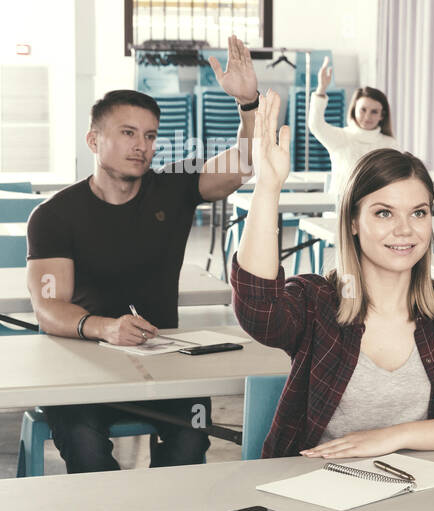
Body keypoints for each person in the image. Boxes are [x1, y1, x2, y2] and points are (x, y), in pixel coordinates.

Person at [231, 90, 434, 458]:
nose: (405, 230)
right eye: (384, 213)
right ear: (353, 221)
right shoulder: (316, 301)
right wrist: (268, 187)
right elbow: (258, 311)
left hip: (418, 490)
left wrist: (396, 436)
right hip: (312, 490)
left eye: (418, 213)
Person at [25, 35, 262, 474]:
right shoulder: (54, 215)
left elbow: (242, 167)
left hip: (165, 363)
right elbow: (48, 307)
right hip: (84, 366)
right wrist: (106, 328)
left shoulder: (172, 187)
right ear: (94, 140)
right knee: (86, 448)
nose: (142, 145)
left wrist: (248, 104)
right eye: (128, 133)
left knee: (192, 437)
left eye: (150, 136)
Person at [309, 57, 401, 196]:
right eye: (363, 110)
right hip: (338, 211)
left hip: (375, 211)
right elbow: (316, 125)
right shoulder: (340, 137)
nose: (367, 117)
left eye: (374, 112)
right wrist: (321, 89)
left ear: (382, 116)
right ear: (354, 110)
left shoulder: (390, 145)